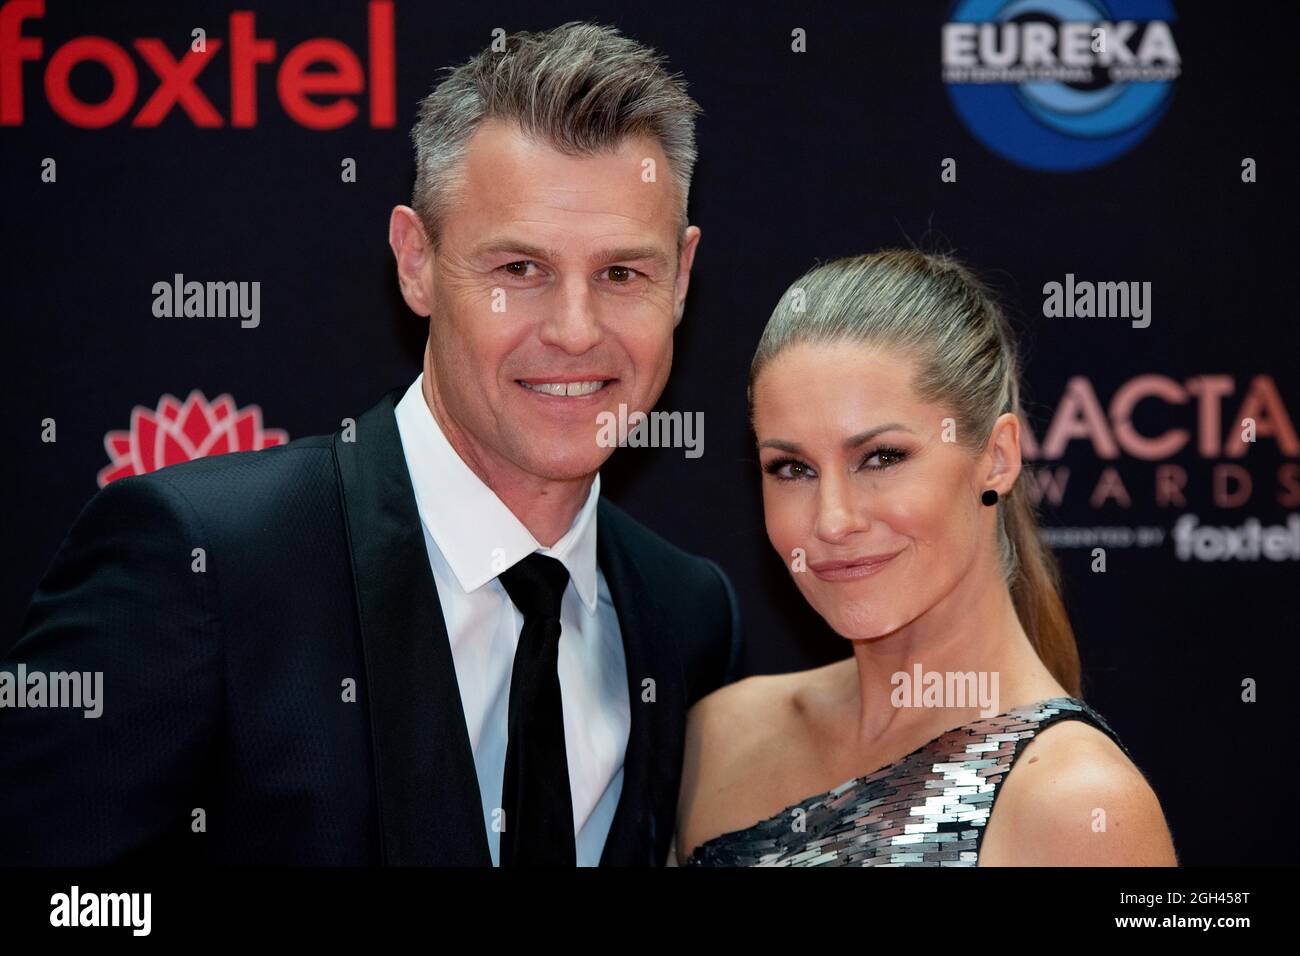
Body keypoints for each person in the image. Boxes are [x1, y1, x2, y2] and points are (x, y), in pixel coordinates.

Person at [0, 22, 741, 867]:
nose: (575, 332)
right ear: (415, 261)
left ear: (680, 280)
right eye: (518, 271)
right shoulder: (201, 561)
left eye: (621, 274)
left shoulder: (687, 615)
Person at [674, 250, 1177, 866]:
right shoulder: (720, 737)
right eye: (792, 468)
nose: (833, 519)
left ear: (997, 457)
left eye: (882, 458)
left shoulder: (1075, 805)